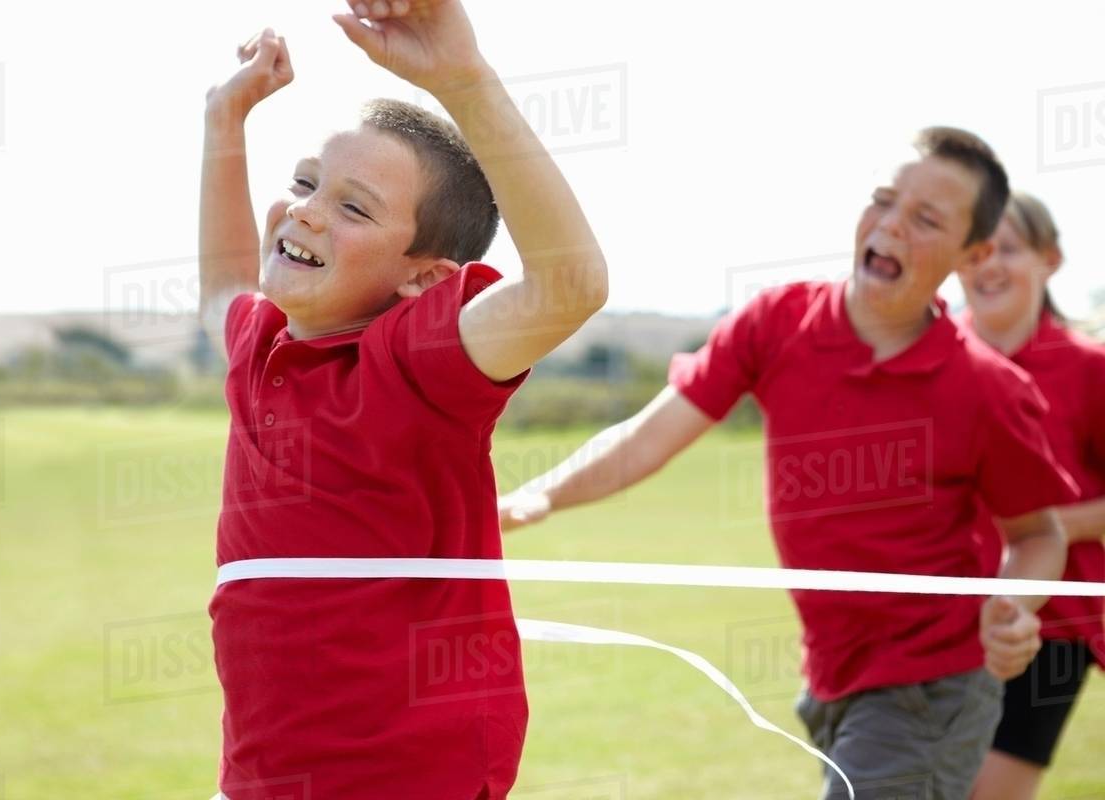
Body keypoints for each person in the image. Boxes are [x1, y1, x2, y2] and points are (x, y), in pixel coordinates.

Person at [499, 129, 1074, 799]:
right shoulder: (778, 322)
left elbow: (1039, 535)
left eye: (925, 219)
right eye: (884, 199)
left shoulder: (987, 390)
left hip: (934, 684)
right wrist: (536, 496)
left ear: (971, 254)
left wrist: (1011, 604)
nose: (890, 225)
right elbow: (648, 438)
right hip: (831, 676)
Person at [197, 1, 608, 797]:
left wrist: (464, 81)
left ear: (422, 279)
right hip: (262, 779)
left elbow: (571, 285)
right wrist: (224, 120)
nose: (308, 210)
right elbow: (222, 285)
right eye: (306, 182)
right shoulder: (260, 344)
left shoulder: (419, 363)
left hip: (415, 779)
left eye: (353, 207)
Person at [958, 193, 1105, 800]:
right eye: (976, 249)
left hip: (1047, 627)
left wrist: (1043, 528)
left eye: (1009, 248)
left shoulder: (1089, 369)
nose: (989, 264)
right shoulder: (931, 363)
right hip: (938, 617)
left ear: (1051, 259)